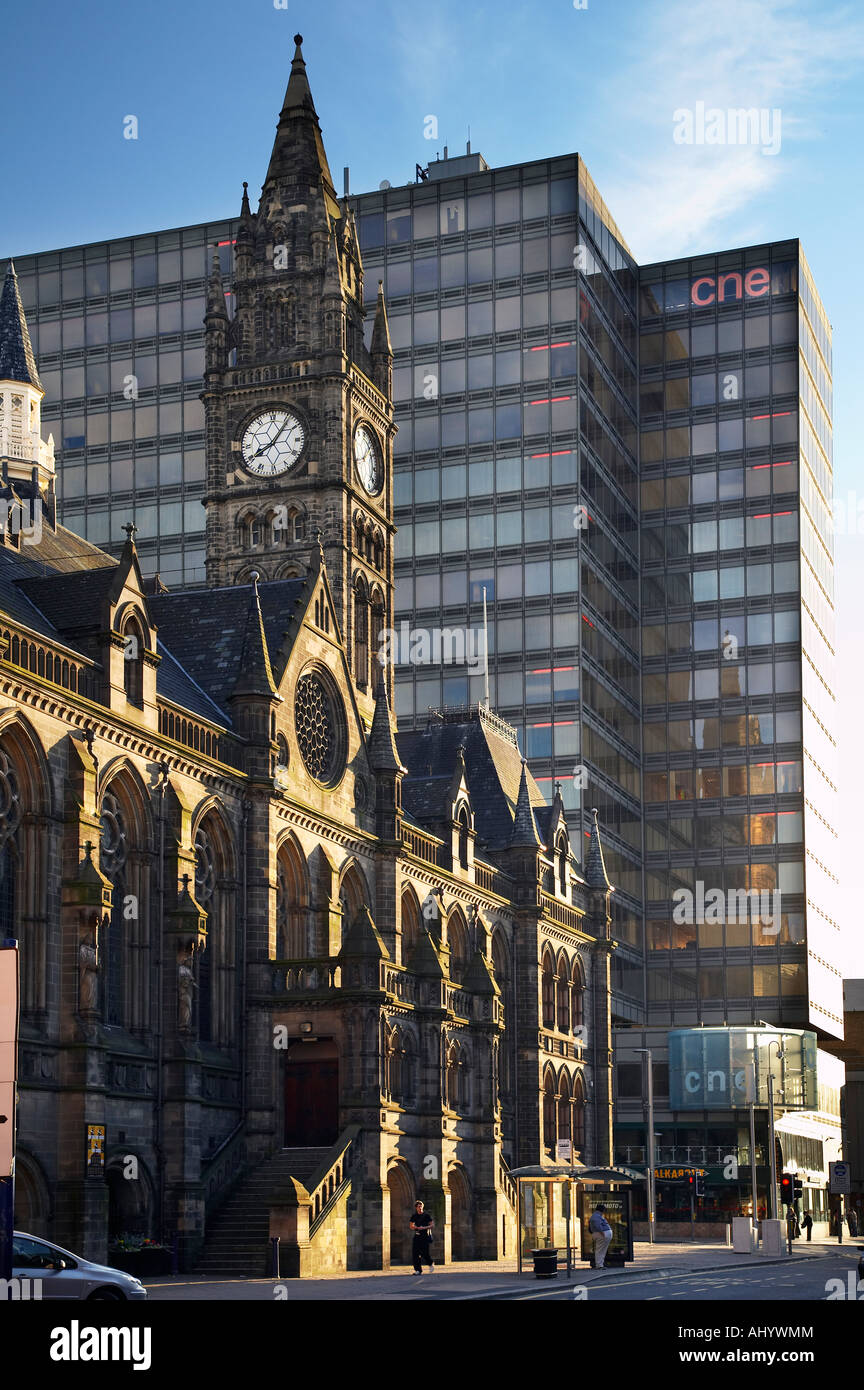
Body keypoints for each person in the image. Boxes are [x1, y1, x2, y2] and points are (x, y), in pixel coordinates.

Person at [409, 1200, 434, 1275]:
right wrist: (416, 1227)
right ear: (416, 1208)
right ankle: (418, 1270)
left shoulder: (426, 1216)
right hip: (417, 1236)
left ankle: (430, 1263)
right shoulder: (414, 1216)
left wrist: (424, 1228)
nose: (420, 1208)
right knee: (415, 1253)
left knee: (425, 1253)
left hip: (425, 1236)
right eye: (418, 1207)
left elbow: (432, 1225)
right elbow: (411, 1226)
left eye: (421, 1206)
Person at [588, 1204, 613, 1270]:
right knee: (600, 1250)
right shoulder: (596, 1216)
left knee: (601, 1250)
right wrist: (602, 1233)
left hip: (602, 1234)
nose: (604, 1212)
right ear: (602, 1210)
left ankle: (600, 1264)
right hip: (601, 1234)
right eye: (604, 1210)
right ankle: (599, 1265)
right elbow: (597, 1225)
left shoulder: (596, 1215)